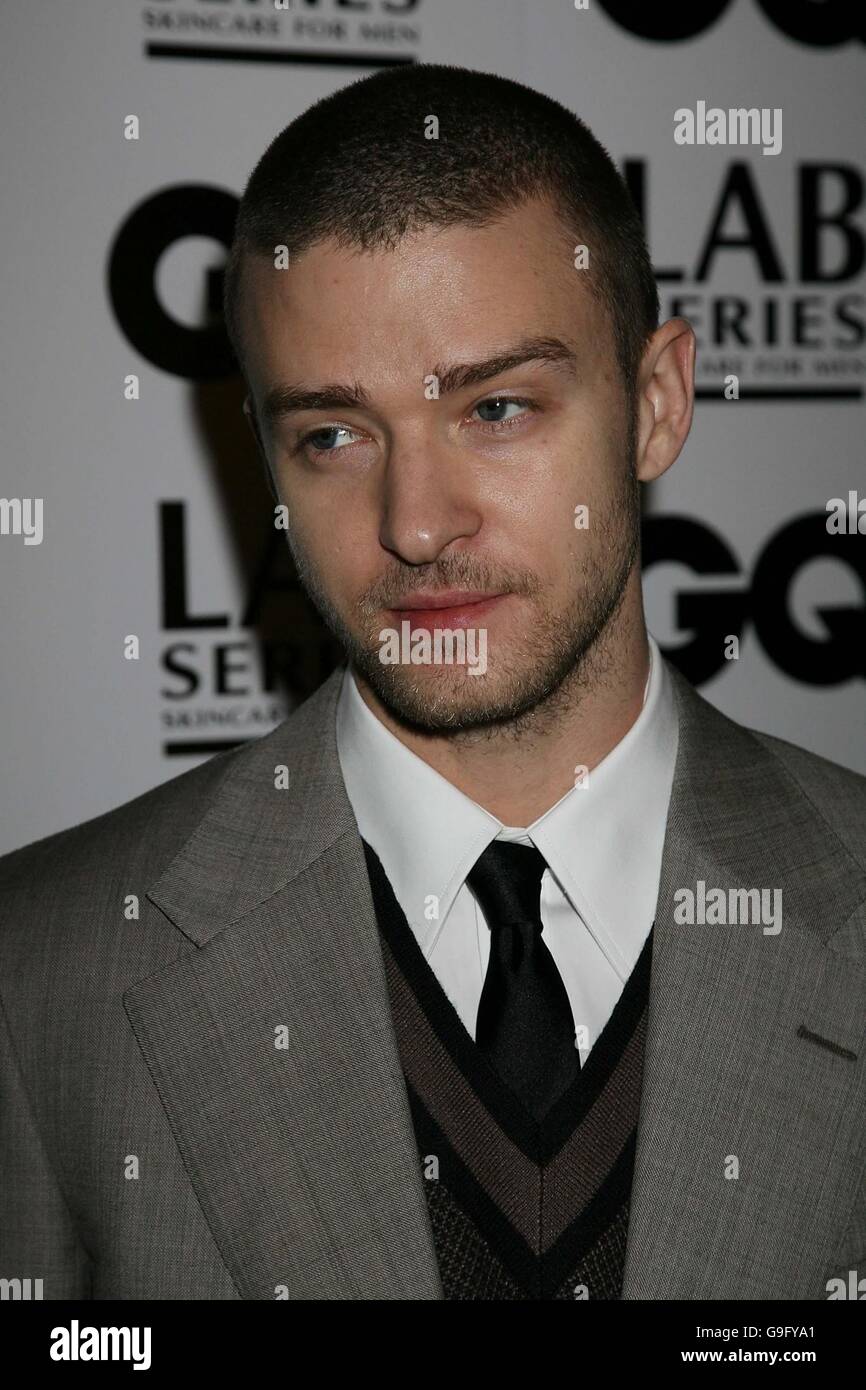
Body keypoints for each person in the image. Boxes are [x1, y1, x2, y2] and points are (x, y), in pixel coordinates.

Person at [1, 64, 864, 1303]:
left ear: (656, 403)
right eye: (333, 436)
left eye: (496, 406)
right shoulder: (41, 974)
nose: (414, 524)